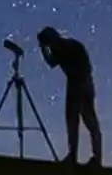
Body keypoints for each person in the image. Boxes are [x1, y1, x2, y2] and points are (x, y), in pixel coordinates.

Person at [37, 26, 102, 167]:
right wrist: (44, 49)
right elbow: (52, 63)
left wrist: (79, 81)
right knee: (77, 122)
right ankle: (80, 157)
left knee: (85, 121)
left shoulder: (69, 46)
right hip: (79, 83)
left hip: (80, 83)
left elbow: (83, 66)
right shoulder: (60, 47)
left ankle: (91, 158)